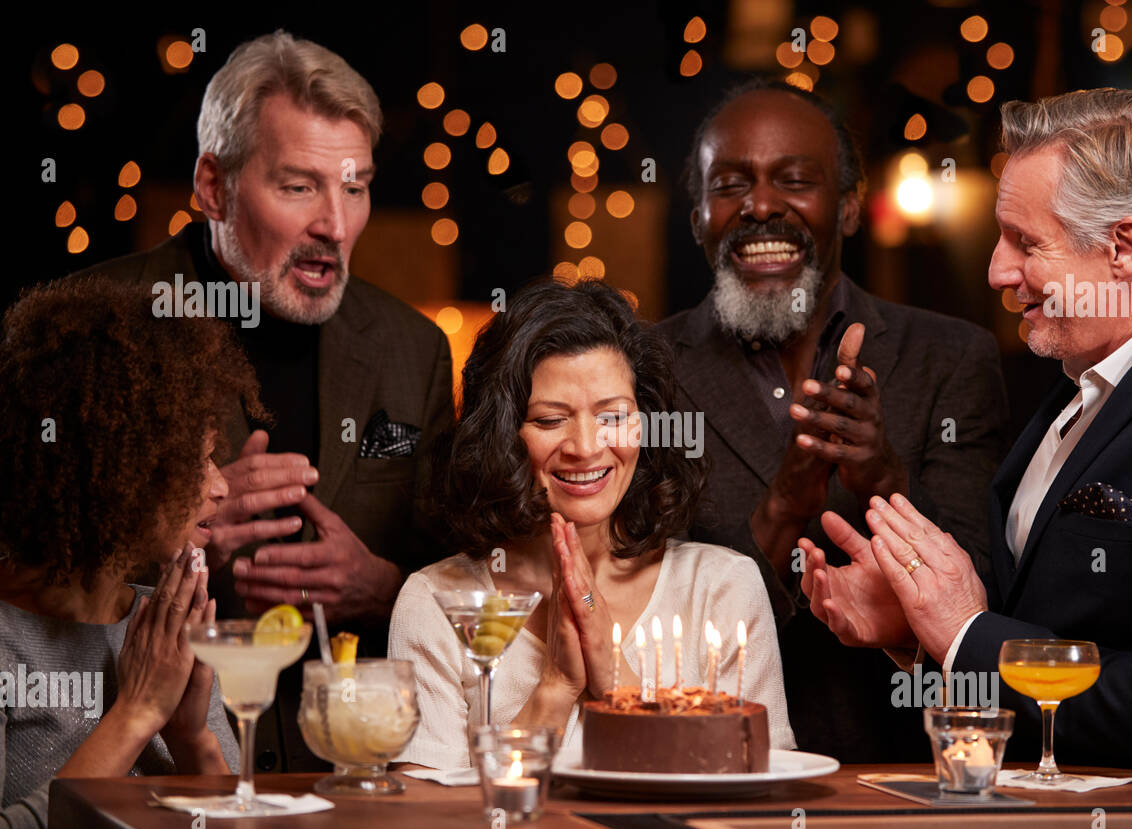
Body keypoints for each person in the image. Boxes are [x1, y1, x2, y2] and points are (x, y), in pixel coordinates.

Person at [802, 88, 1132, 771]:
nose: (997, 271)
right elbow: (1048, 620)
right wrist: (921, 633)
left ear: (1125, 248)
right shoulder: (1087, 373)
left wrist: (963, 633)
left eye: (1026, 242)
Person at [86, 31, 455, 771]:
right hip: (142, 770)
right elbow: (26, 573)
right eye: (299, 186)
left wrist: (385, 588)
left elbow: (461, 567)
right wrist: (177, 544)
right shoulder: (93, 327)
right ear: (213, 186)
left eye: (354, 187)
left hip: (352, 782)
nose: (335, 225)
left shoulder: (413, 348)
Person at [657, 79, 1009, 761]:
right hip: (705, 767)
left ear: (848, 208)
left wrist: (882, 476)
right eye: (730, 185)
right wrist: (783, 506)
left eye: (794, 180)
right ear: (699, 214)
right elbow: (643, 614)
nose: (760, 205)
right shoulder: (644, 371)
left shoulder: (952, 358)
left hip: (904, 778)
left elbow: (980, 602)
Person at [389, 279, 795, 768]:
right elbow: (428, 824)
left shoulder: (722, 588)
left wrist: (614, 677)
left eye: (614, 416)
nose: (586, 446)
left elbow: (756, 789)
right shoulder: (437, 603)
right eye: (548, 420)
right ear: (503, 435)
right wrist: (557, 687)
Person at [0, 276, 247, 829]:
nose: (220, 485)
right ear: (115, 471)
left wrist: (190, 737)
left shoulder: (159, 619)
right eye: (196, 461)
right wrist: (136, 713)